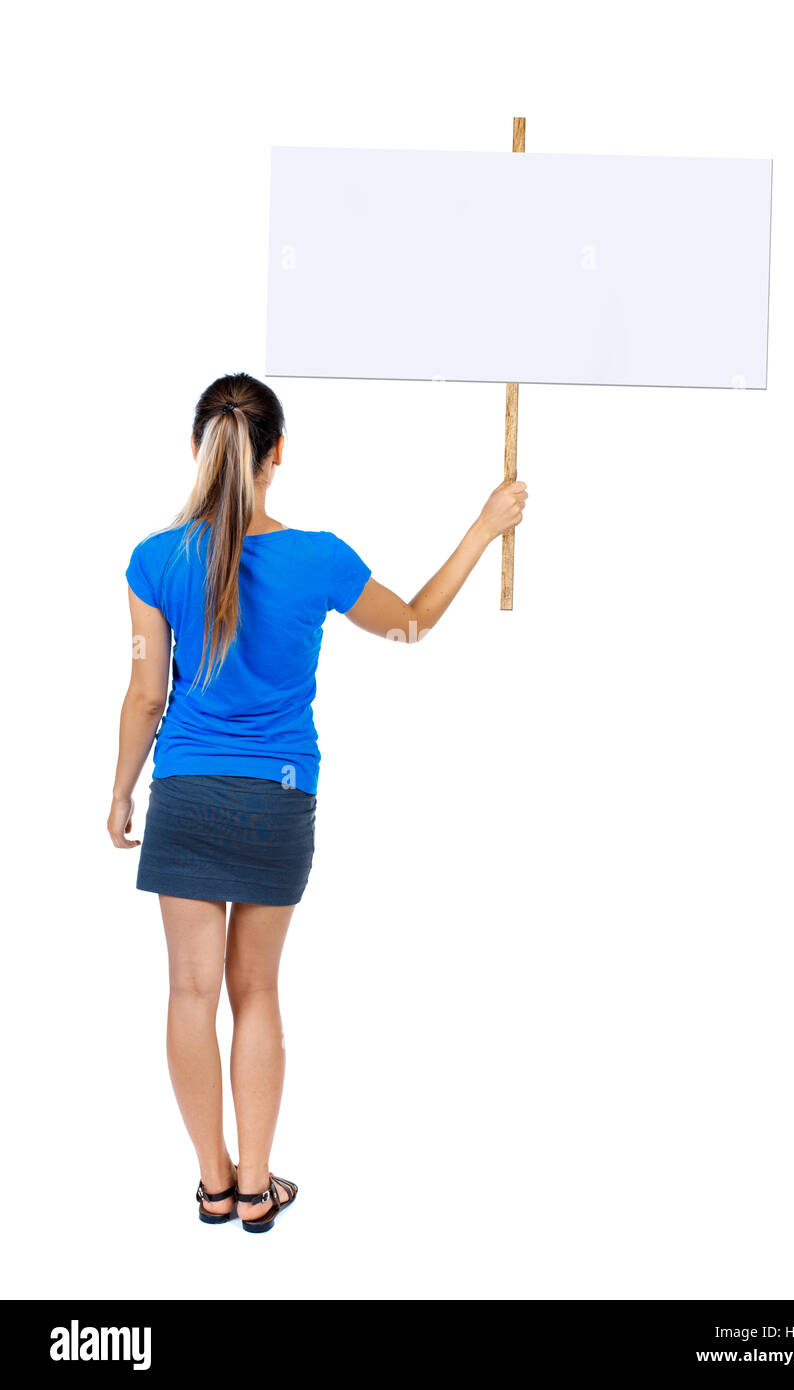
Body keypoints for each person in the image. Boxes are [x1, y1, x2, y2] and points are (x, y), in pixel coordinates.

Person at [108, 371, 528, 1232]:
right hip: (279, 798)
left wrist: (119, 790)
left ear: (199, 449)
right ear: (278, 455)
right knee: (254, 990)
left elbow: (147, 694)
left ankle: (214, 1183)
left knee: (190, 991)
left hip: (185, 791)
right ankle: (258, 1187)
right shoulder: (320, 558)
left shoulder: (155, 559)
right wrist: (486, 527)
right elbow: (412, 622)